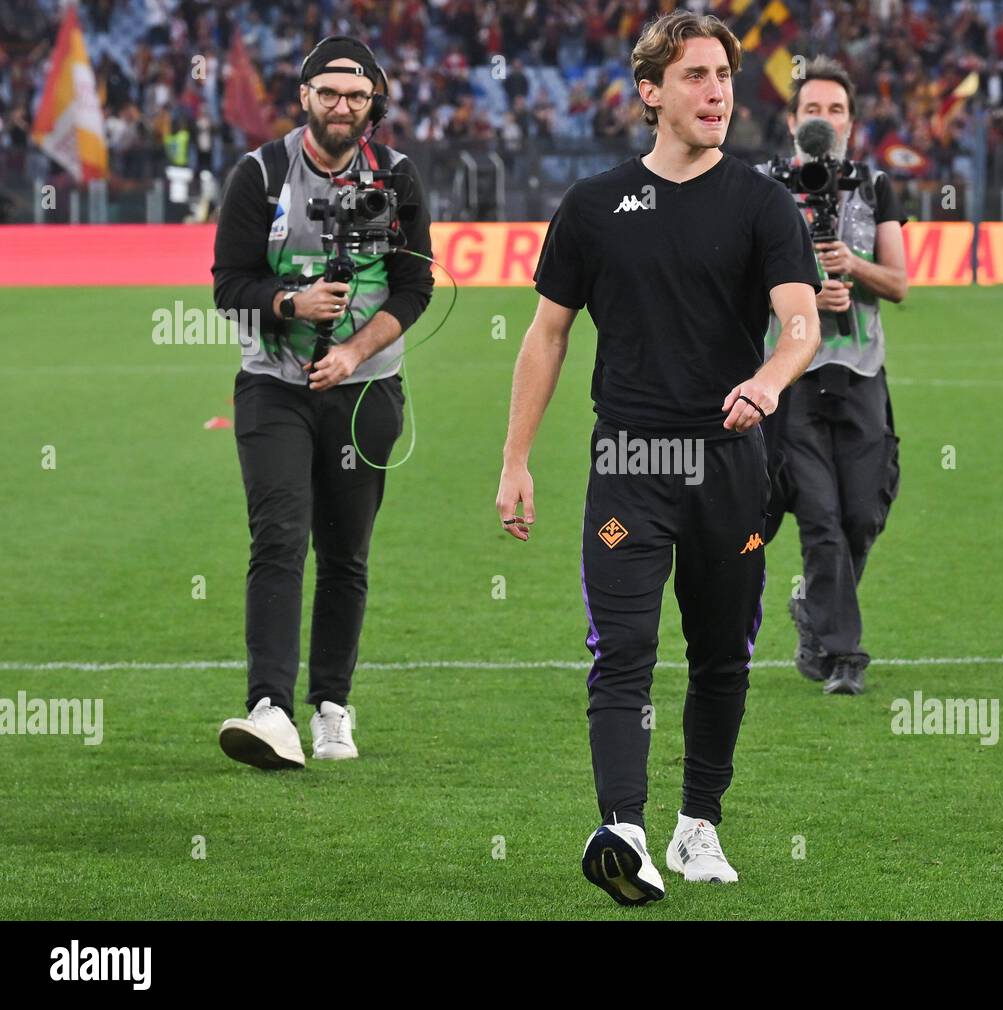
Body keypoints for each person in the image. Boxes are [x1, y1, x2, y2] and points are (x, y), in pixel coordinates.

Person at [495, 9, 821, 906]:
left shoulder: (761, 201)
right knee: (625, 647)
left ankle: (698, 826)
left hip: (732, 463)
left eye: (724, 74)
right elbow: (547, 337)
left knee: (722, 652)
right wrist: (516, 459)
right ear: (651, 92)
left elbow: (802, 322)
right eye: (696, 76)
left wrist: (769, 380)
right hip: (629, 466)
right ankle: (624, 830)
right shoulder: (594, 206)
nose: (717, 90)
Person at [212, 36, 433, 769]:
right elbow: (228, 284)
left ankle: (332, 706)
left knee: (346, 552)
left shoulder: (397, 178)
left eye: (357, 95)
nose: (343, 106)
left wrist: (352, 350)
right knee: (279, 537)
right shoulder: (261, 173)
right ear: (304, 96)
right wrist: (289, 302)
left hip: (364, 387)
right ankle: (269, 707)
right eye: (329, 92)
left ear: (374, 104)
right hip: (274, 384)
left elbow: (415, 286)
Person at [758, 56, 908, 696]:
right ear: (793, 121)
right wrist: (802, 296)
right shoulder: (761, 186)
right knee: (819, 519)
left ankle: (813, 612)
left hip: (861, 373)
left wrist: (854, 266)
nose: (825, 119)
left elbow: (899, 283)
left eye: (836, 110)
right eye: (813, 109)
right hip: (793, 377)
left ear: (852, 122)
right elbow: (734, 283)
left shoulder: (875, 187)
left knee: (861, 518)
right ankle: (843, 655)